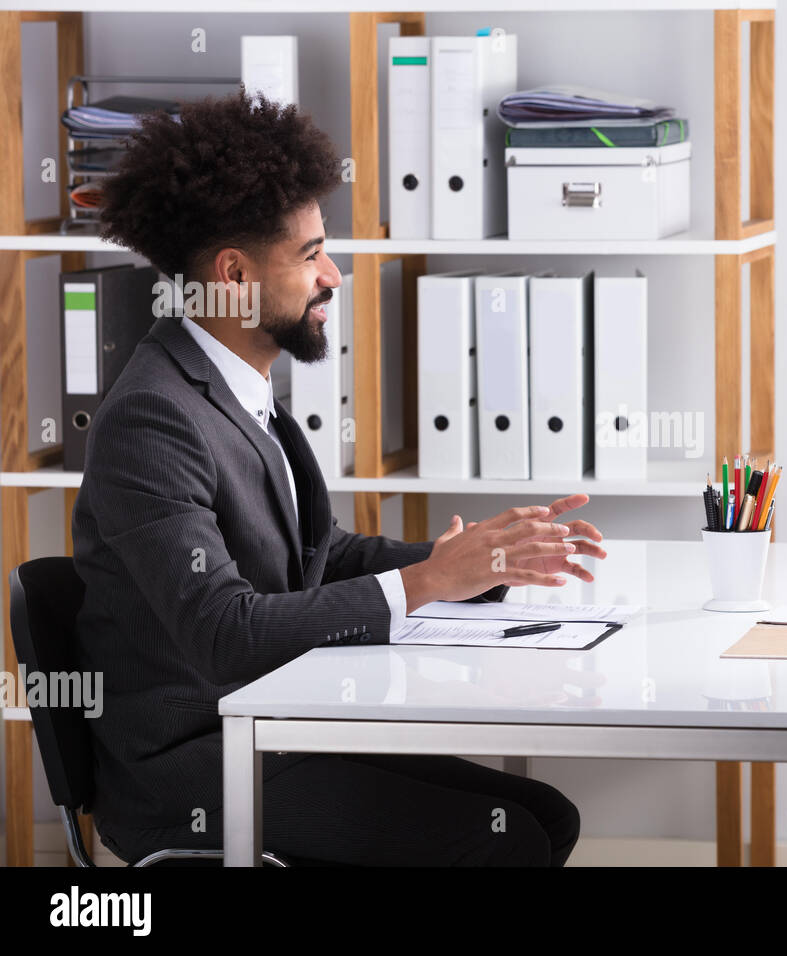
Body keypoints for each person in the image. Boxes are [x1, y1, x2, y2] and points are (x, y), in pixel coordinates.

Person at [73, 89, 605, 866]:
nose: (335, 274)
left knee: (544, 816)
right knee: (507, 841)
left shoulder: (241, 389)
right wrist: (426, 584)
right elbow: (226, 633)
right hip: (191, 767)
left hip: (274, 722)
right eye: (310, 253)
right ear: (233, 273)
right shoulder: (151, 421)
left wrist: (472, 563)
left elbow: (313, 555)